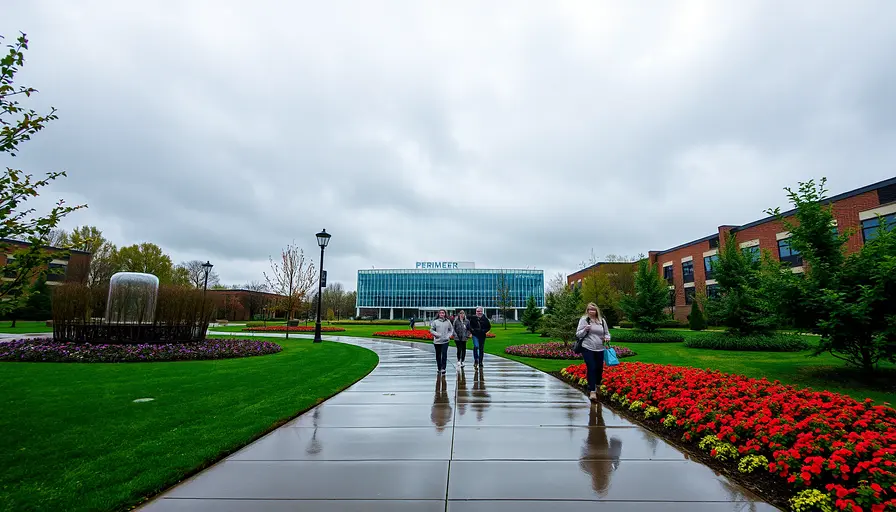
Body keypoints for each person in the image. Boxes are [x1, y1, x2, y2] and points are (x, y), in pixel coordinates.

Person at [575, 302, 612, 402]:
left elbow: (607, 333)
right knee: (591, 367)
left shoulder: (602, 321)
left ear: (597, 311)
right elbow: (578, 334)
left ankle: (597, 384)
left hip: (600, 348)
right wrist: (585, 330)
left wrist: (607, 338)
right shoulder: (584, 320)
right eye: (589, 309)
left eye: (593, 309)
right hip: (587, 347)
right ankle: (592, 391)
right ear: (587, 311)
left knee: (599, 368)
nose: (591, 311)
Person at [430, 308, 454, 375]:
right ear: (438, 314)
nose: (441, 314)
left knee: (444, 354)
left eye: (443, 313)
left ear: (445, 314)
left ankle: (443, 368)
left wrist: (448, 336)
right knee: (438, 355)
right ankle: (439, 368)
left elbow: (451, 330)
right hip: (437, 341)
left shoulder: (448, 322)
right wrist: (437, 334)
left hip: (445, 341)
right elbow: (431, 330)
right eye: (440, 313)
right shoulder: (435, 322)